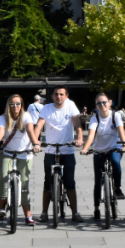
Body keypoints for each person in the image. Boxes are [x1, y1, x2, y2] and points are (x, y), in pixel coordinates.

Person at [35, 86, 84, 223]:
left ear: (66, 96)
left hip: (67, 149)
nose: (59, 96)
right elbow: (39, 125)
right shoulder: (47, 108)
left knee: (69, 182)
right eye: (56, 94)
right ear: (52, 96)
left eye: (61, 94)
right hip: (50, 149)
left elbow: (77, 124)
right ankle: (44, 212)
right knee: (47, 182)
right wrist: (36, 142)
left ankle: (75, 212)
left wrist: (79, 138)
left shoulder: (71, 106)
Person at [0, 94, 41, 226]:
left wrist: (36, 144)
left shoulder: (26, 116)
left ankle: (28, 216)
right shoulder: (3, 118)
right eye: (12, 104)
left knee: (24, 184)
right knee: (3, 178)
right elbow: (1, 133)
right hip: (6, 152)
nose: (15, 106)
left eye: (18, 104)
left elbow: (31, 131)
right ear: (8, 106)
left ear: (22, 105)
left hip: (24, 154)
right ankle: (2, 209)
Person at [82, 93, 125, 220]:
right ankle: (96, 208)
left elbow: (121, 131)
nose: (102, 105)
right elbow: (91, 135)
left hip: (114, 147)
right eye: (99, 103)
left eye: (104, 102)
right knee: (98, 180)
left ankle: (118, 188)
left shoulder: (116, 115)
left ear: (110, 103)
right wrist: (85, 148)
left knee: (115, 162)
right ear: (96, 106)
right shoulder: (95, 118)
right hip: (99, 150)